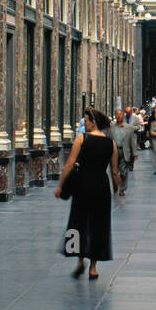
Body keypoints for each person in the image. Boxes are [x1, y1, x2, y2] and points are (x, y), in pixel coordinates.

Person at [55, 108, 120, 280]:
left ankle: (79, 260)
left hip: (82, 185)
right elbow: (114, 172)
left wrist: (60, 185)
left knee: (77, 222)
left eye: (86, 121)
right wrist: (118, 191)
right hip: (101, 187)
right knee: (99, 225)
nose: (84, 124)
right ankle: (93, 268)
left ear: (93, 122)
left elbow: (69, 164)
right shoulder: (110, 144)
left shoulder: (81, 139)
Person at [111, 109, 138, 199]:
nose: (118, 116)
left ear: (123, 116)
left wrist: (134, 152)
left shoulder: (129, 128)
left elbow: (132, 141)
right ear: (115, 116)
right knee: (114, 171)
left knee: (123, 172)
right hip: (114, 151)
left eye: (120, 114)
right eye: (117, 114)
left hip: (124, 151)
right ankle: (115, 186)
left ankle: (122, 189)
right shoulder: (111, 127)